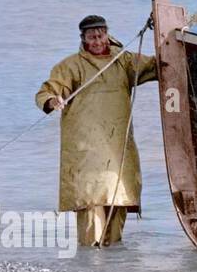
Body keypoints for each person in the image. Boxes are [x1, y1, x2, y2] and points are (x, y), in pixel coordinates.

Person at [35, 15, 158, 247]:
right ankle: (89, 270)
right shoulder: (70, 65)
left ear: (107, 34)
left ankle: (114, 271)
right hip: (86, 149)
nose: (97, 41)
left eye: (100, 35)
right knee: (92, 205)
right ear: (83, 39)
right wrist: (53, 101)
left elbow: (157, 67)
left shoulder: (123, 61)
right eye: (92, 37)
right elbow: (48, 90)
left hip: (117, 143)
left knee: (117, 199)